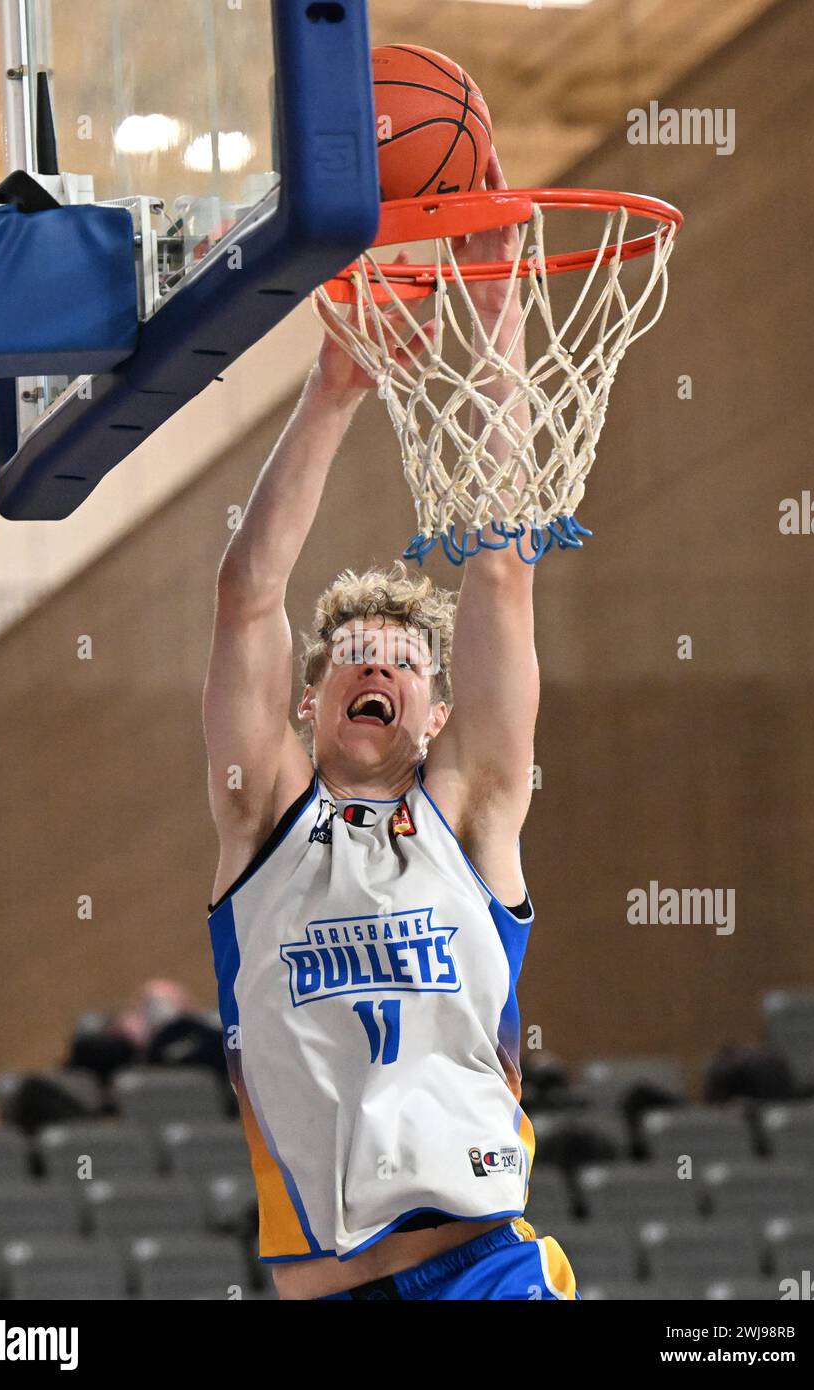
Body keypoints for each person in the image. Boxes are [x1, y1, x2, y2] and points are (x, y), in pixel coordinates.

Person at [203, 149, 579, 1301]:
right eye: (355, 656)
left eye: (407, 661)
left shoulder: (470, 809)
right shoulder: (262, 810)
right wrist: (334, 385)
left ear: (439, 712)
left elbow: (505, 574)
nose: (381, 666)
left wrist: (498, 314)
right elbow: (249, 595)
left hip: (484, 1267)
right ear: (308, 701)